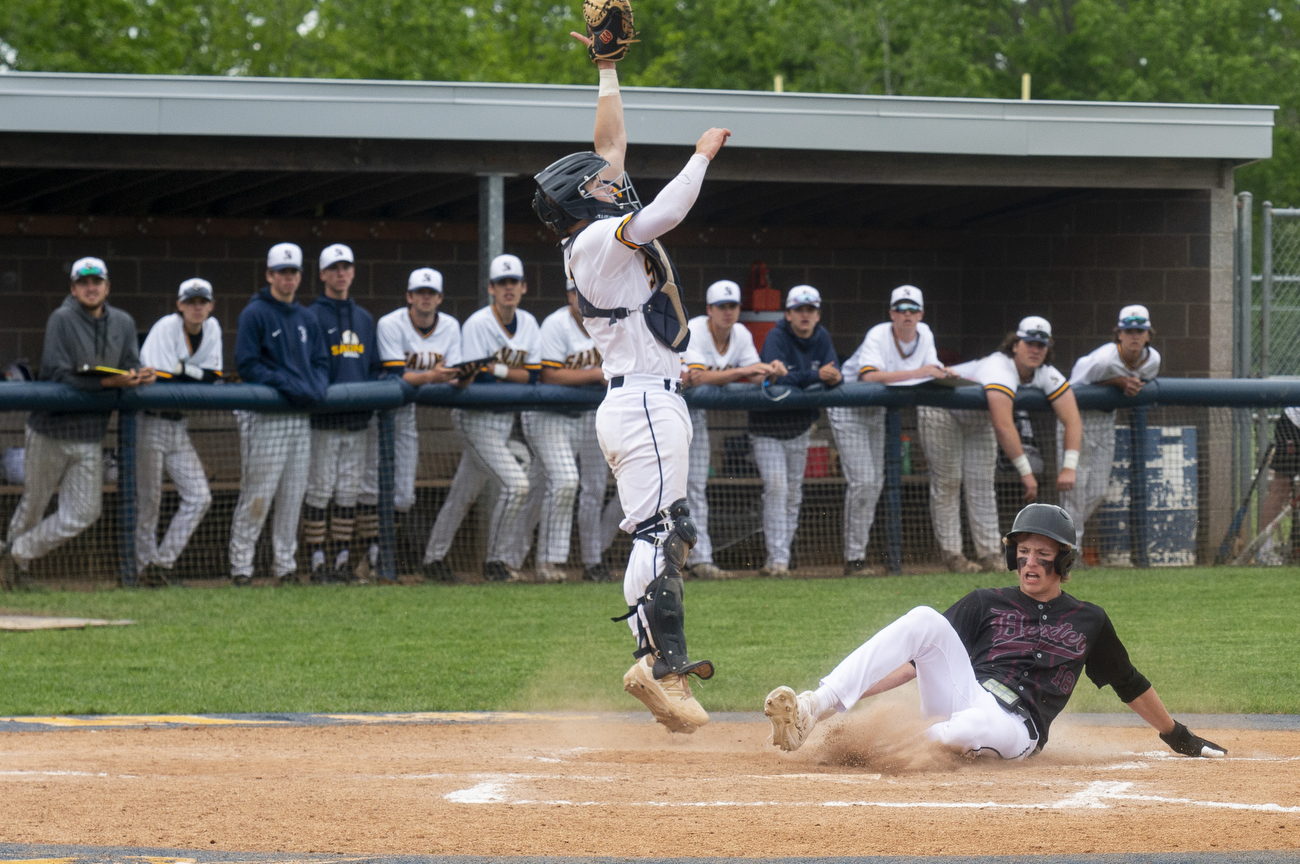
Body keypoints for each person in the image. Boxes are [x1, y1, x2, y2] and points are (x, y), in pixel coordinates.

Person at [531, 30, 730, 732]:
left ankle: (661, 665)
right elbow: (670, 210)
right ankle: (659, 666)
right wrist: (702, 155)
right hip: (644, 401)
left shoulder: (591, 232)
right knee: (659, 532)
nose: (612, 178)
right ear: (579, 202)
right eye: (598, 185)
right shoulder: (592, 240)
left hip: (645, 393)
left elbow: (608, 147)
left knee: (662, 533)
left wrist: (609, 70)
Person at [763, 503, 1227, 762]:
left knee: (972, 727)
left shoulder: (1090, 619)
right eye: (1023, 551)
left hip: (1016, 726)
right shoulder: (986, 601)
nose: (1029, 561)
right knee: (925, 618)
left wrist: (1177, 735)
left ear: (1064, 562)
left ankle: (886, 752)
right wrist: (845, 699)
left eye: (1042, 553)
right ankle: (812, 707)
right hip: (968, 693)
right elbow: (908, 666)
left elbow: (1129, 682)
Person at [2, 257, 155, 586]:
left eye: (96, 281)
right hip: (49, 430)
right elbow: (57, 373)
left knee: (85, 511)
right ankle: (16, 575)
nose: (90, 287)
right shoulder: (61, 318)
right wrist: (110, 384)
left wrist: (141, 375)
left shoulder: (123, 322)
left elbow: (129, 362)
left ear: (106, 286)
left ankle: (13, 553)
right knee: (34, 505)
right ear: (73, 288)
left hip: (90, 433)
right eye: (83, 282)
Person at [917, 316, 1082, 574]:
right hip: (943, 413)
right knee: (949, 482)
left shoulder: (1046, 373)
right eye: (1029, 343)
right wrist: (1027, 474)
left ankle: (990, 554)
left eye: (1041, 345)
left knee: (982, 484)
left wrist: (1070, 466)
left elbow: (1072, 418)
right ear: (1015, 344)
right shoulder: (999, 366)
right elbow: (1004, 426)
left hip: (977, 421)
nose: (1035, 350)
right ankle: (953, 555)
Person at [421, 254, 541, 583]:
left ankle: (433, 559)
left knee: (463, 493)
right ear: (491, 288)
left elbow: (532, 377)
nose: (508, 288)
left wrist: (498, 369)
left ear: (523, 287)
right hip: (474, 420)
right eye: (501, 283)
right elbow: (477, 377)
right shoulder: (477, 323)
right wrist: (503, 374)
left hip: (502, 422)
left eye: (513, 282)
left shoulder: (529, 324)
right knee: (517, 485)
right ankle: (495, 561)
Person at [829, 285, 951, 577]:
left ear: (920, 314)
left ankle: (858, 556)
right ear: (892, 313)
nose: (906, 315)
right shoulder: (878, 334)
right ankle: (854, 559)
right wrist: (920, 372)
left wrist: (942, 372)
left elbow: (931, 367)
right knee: (864, 482)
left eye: (912, 309)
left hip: (876, 411)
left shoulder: (926, 335)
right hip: (849, 407)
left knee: (876, 482)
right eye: (900, 309)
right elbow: (869, 375)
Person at [507, 280, 623, 583]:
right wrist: (596, 373)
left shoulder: (607, 322)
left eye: (587, 291)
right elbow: (548, 374)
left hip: (588, 416)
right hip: (549, 417)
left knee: (594, 487)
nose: (581, 297)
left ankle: (592, 560)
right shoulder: (555, 324)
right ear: (568, 294)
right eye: (575, 292)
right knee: (557, 485)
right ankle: (524, 559)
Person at [228, 242, 330, 587]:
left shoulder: (306, 317)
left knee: (293, 493)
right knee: (259, 493)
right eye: (281, 273)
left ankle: (285, 566)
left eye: (293, 272)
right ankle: (242, 567)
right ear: (269, 275)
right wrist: (289, 384)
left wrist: (315, 387)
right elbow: (247, 363)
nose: (288, 278)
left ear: (300, 276)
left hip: (300, 418)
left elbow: (320, 362)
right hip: (267, 416)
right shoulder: (255, 312)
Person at [681, 279, 778, 580]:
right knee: (643, 493)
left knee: (695, 485)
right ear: (709, 309)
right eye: (721, 306)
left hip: (694, 417)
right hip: (666, 411)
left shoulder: (741, 334)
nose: (728, 312)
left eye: (733, 306)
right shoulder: (695, 329)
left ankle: (700, 559)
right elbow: (696, 378)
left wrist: (769, 372)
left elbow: (755, 376)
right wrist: (744, 371)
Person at [301, 244, 381, 584]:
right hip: (323, 421)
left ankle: (343, 561)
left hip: (357, 422)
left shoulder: (363, 317)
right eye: (333, 268)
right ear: (322, 274)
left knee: (348, 491)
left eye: (346, 267)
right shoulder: (310, 315)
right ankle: (317, 562)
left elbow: (375, 366)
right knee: (319, 489)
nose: (340, 273)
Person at [135, 277, 223, 587]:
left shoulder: (213, 329)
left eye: (202, 302)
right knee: (150, 502)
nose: (197, 308)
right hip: (151, 422)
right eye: (191, 302)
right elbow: (161, 380)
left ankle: (161, 564)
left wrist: (183, 370)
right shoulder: (166, 326)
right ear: (180, 305)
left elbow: (213, 378)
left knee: (200, 497)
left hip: (178, 426)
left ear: (211, 306)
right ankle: (142, 568)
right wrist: (189, 375)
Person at [375, 267, 463, 576]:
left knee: (403, 494)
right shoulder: (390, 323)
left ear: (439, 298)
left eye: (431, 293)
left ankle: (378, 558)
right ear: (409, 296)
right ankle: (367, 559)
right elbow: (397, 375)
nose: (425, 298)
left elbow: (453, 376)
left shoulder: (450, 326)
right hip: (377, 414)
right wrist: (431, 376)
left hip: (407, 416)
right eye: (419, 293)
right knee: (366, 489)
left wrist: (426, 378)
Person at [748, 285, 840, 578]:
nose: (805, 315)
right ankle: (777, 559)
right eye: (799, 310)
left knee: (792, 494)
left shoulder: (822, 337)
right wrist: (814, 376)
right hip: (767, 429)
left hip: (800, 427)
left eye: (810, 310)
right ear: (788, 314)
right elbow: (776, 380)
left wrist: (826, 376)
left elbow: (834, 373)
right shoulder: (776, 336)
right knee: (776, 489)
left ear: (817, 314)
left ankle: (781, 559)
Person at [1060, 305, 1161, 557]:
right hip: (1078, 418)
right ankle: (1072, 554)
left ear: (1149, 334)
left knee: (1098, 491)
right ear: (1119, 334)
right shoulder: (1102, 360)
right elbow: (1070, 390)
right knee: (1075, 491)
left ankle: (1057, 535)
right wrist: (1115, 381)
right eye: (1129, 331)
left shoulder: (1153, 360)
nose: (1134, 336)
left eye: (1140, 330)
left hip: (1106, 420)